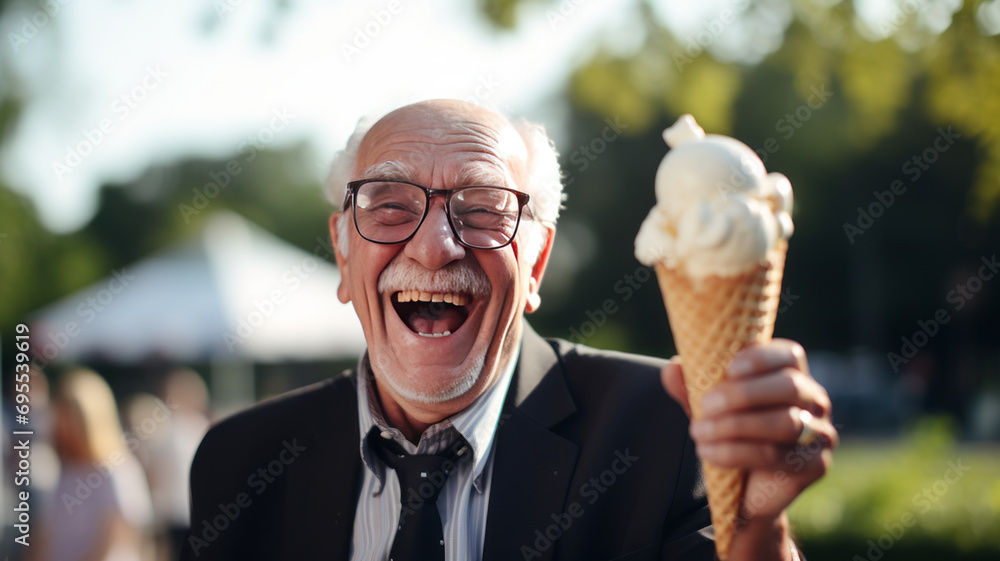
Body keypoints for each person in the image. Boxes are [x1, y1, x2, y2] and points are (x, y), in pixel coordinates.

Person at [183, 99, 837, 560]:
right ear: (343, 253)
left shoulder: (668, 428)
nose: (435, 247)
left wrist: (756, 528)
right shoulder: (239, 463)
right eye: (388, 205)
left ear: (536, 263)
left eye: (484, 209)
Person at [31, 368, 154, 561]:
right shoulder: (63, 469)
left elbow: (119, 539)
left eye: (71, 417)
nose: (64, 427)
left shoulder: (117, 470)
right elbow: (46, 534)